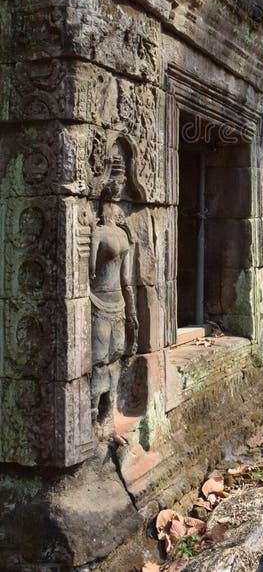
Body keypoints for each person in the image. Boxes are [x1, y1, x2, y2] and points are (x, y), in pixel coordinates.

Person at [89, 158, 138, 425]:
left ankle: (109, 412)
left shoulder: (122, 233)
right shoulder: (97, 232)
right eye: (116, 180)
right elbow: (88, 273)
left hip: (118, 302)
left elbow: (127, 279)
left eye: (122, 181)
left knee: (117, 353)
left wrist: (132, 311)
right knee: (98, 358)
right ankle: (93, 414)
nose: (120, 185)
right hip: (98, 301)